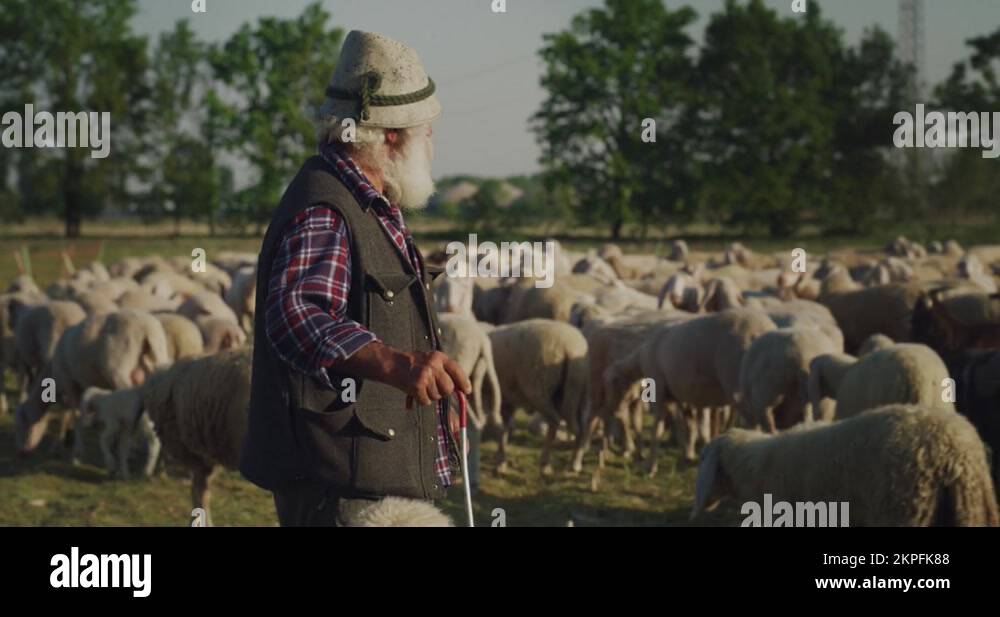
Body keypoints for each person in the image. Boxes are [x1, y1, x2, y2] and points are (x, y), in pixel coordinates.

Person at [240, 30, 471, 526]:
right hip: (339, 489)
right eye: (423, 131)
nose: (431, 143)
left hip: (367, 479)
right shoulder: (327, 208)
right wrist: (398, 363)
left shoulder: (369, 204)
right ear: (391, 137)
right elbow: (296, 311)